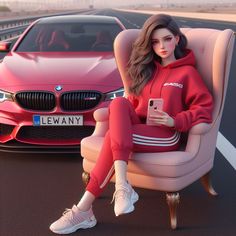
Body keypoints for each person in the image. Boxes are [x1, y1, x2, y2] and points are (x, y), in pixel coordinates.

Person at [49, 14, 213, 234]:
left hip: (166, 135)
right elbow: (134, 105)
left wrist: (175, 120)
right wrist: (129, 115)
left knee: (112, 139)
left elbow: (204, 109)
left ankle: (86, 208)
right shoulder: (148, 70)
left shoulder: (188, 73)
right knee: (118, 103)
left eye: (166, 39)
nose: (161, 46)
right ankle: (120, 188)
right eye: (155, 42)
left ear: (176, 39)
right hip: (140, 127)